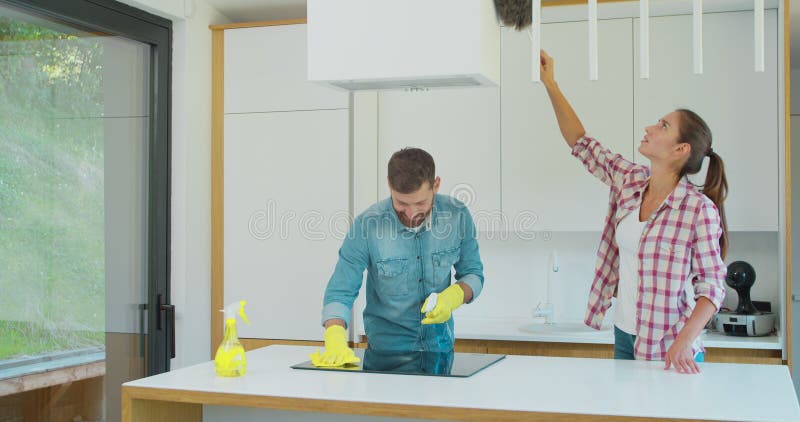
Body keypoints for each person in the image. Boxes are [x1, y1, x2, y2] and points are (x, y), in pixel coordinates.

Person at [538, 50, 727, 374]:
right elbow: (581, 143)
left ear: (680, 150)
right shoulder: (630, 180)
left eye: (663, 126)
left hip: (670, 347)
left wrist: (685, 339)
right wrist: (551, 85)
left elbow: (712, 286)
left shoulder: (698, 210)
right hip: (624, 335)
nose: (651, 127)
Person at [310, 148, 484, 367]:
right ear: (389, 185)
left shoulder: (458, 215)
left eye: (420, 203)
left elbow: (473, 274)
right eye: (402, 203)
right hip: (385, 357)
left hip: (440, 353)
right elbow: (340, 291)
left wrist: (456, 295)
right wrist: (334, 335)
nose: (411, 213)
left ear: (436, 185)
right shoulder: (367, 225)